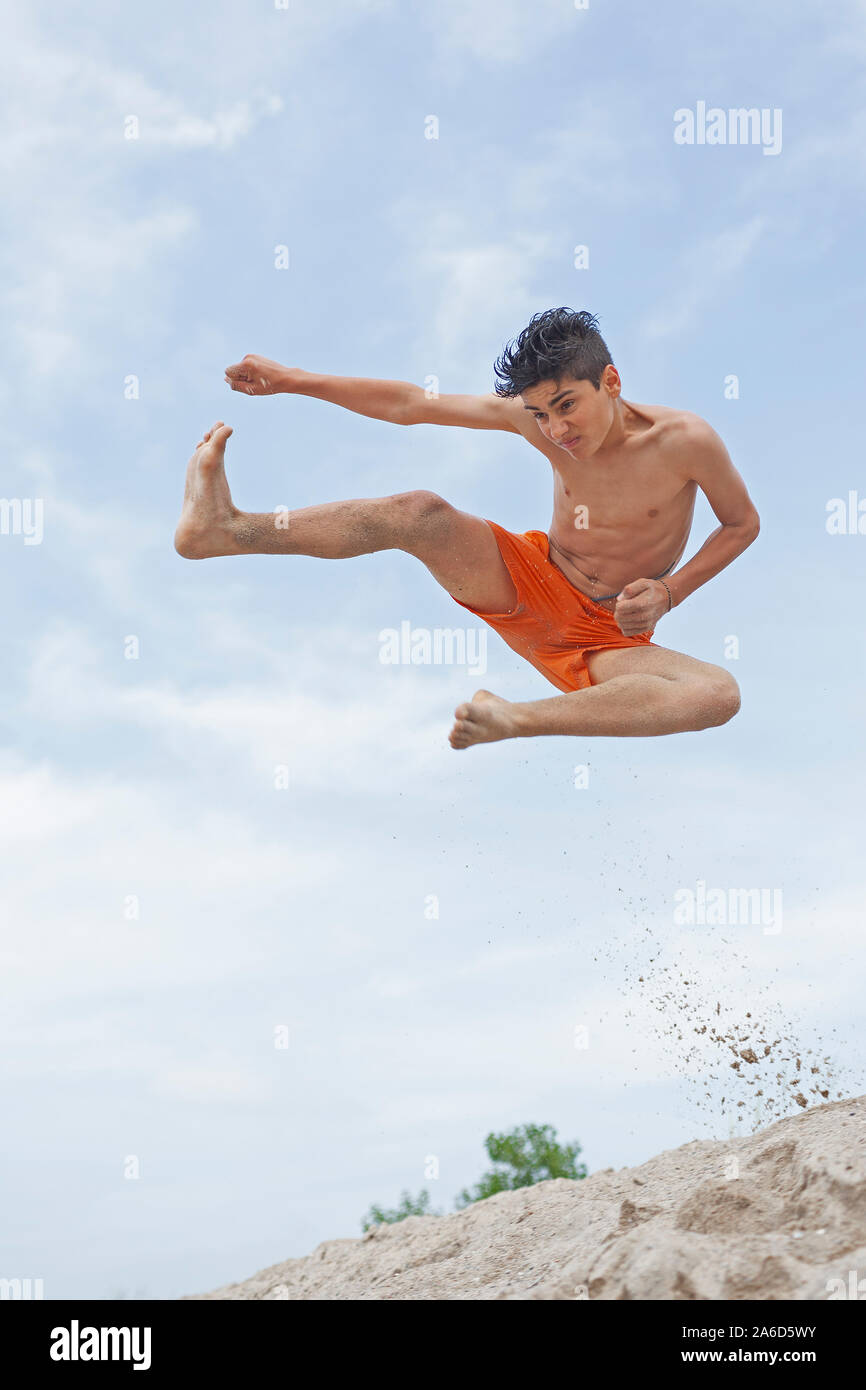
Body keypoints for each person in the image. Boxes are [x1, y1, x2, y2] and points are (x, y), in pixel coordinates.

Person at [175, 308, 759, 749]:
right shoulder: (535, 422)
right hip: (532, 578)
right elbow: (411, 404)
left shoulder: (685, 442)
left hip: (608, 634)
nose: (555, 430)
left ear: (610, 381)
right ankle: (224, 530)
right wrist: (297, 379)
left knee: (717, 693)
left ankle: (516, 718)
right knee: (420, 512)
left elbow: (740, 524)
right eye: (540, 414)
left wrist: (668, 591)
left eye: (566, 406)